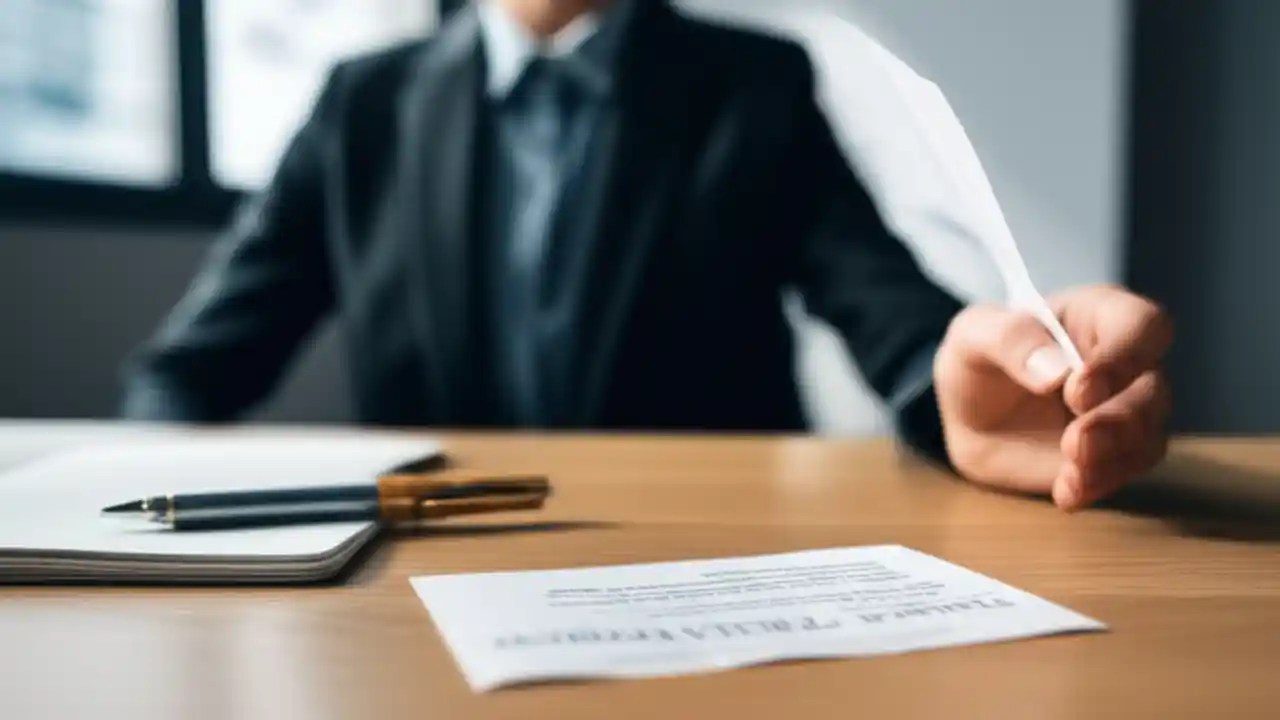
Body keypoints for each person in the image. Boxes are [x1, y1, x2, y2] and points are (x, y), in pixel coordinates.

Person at [122, 0, 1172, 511]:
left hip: (707, 572)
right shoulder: (366, 105)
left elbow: (885, 309)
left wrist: (961, 386)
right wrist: (139, 508)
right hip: (423, 590)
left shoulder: (752, 81)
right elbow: (186, 372)